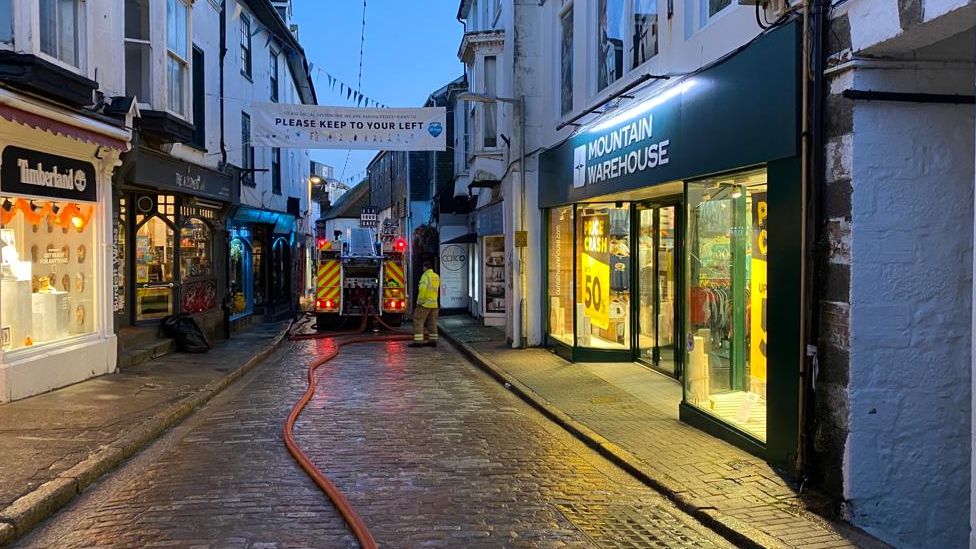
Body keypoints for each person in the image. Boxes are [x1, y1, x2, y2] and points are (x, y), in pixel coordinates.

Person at [409, 260, 440, 348]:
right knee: (432, 322)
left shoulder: (425, 276)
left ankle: (418, 342)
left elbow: (422, 289)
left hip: (425, 303)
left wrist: (419, 301)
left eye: (423, 267)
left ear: (425, 267)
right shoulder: (436, 276)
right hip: (434, 304)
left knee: (418, 320)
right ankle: (433, 341)